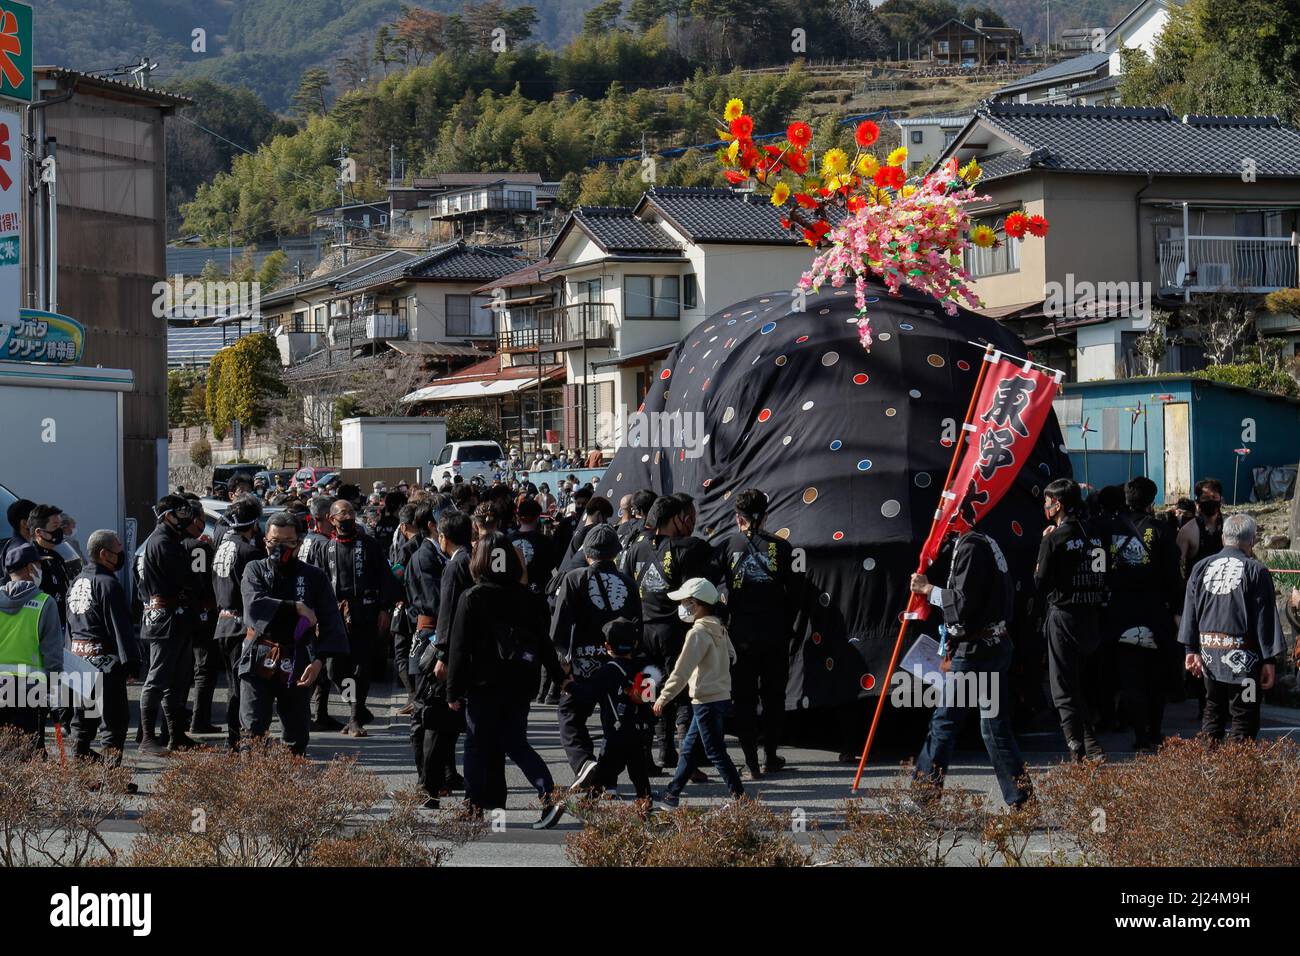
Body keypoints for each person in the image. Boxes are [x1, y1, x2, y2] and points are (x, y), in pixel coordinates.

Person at [446, 532, 566, 827]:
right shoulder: (528, 597)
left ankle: (473, 805)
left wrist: (453, 690)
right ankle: (548, 794)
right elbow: (543, 642)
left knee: (476, 744)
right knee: (515, 742)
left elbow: (459, 648)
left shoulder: (472, 597)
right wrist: (559, 676)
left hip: (483, 682)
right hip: (521, 681)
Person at [909, 526, 1031, 807]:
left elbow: (963, 605)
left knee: (945, 723)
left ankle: (924, 798)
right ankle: (1022, 801)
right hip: (993, 643)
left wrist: (928, 590)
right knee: (994, 728)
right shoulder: (986, 540)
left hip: (976, 650)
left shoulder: (970, 547)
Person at [237, 512, 347, 754]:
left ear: (299, 543)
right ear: (265, 540)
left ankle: (292, 786)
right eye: (274, 542)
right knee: (252, 732)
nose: (280, 548)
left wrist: (319, 661)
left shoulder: (313, 576)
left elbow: (331, 622)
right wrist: (295, 607)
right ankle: (249, 789)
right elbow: (254, 605)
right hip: (260, 654)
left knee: (296, 735)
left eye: (288, 542)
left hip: (298, 657)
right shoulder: (254, 569)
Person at [624, 495, 719, 770]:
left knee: (649, 691)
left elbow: (630, 588)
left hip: (643, 631)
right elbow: (693, 593)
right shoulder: (685, 548)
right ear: (675, 518)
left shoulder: (635, 549)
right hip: (674, 630)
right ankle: (685, 758)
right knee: (680, 691)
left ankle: (654, 755)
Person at [713, 489, 801, 777]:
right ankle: (771, 755)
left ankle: (750, 762)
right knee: (774, 696)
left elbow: (708, 587)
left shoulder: (727, 545)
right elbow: (795, 592)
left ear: (738, 517)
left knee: (744, 699)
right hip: (775, 633)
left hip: (741, 636)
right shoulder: (782, 546)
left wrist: (723, 614)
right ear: (765, 516)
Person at [1179, 514, 1283, 742]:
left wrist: (1190, 649)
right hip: (1245, 660)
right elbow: (1264, 619)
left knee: (1213, 710)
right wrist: (1269, 660)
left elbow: (1190, 610)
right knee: (1245, 716)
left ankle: (1211, 768)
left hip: (1209, 653)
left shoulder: (1200, 567)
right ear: (1252, 540)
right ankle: (1236, 771)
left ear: (1224, 537)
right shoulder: (1256, 570)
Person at [550, 523, 642, 779]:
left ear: (588, 553)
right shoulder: (628, 583)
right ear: (615, 553)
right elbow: (638, 626)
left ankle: (584, 763)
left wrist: (562, 661)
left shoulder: (575, 578)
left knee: (570, 713)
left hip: (584, 661)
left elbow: (561, 625)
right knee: (613, 718)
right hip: (619, 661)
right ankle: (607, 778)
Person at [306, 498, 400, 736]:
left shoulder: (368, 544)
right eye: (342, 514)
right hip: (336, 615)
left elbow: (385, 578)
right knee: (334, 670)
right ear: (331, 519)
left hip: (365, 613)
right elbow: (317, 584)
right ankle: (356, 708)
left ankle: (355, 718)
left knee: (362, 668)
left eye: (350, 513)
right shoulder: (324, 548)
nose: (347, 517)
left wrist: (384, 610)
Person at [1106, 476, 1183, 751]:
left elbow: (1098, 570)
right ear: (1152, 501)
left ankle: (1138, 733)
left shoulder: (1109, 529)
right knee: (1155, 676)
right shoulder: (1161, 530)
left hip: (1119, 611)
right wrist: (1176, 610)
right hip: (1154, 611)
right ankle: (1154, 731)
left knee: (1130, 677)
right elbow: (1173, 577)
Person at [652, 578, 744, 808]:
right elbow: (733, 656)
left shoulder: (697, 634)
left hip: (705, 699)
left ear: (697, 604)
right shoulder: (719, 628)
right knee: (689, 751)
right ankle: (671, 794)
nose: (682, 606)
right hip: (719, 696)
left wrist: (664, 697)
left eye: (685, 601)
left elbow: (681, 671)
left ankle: (740, 798)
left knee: (715, 751)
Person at [1035, 478, 1109, 761]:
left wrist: (1044, 543)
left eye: (1047, 501)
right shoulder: (1096, 533)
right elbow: (1103, 574)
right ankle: (1092, 745)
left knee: (1063, 686)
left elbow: (1040, 582)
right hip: (1091, 615)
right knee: (1083, 683)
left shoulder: (1054, 538)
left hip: (1063, 615)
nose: (1045, 506)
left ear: (1058, 504)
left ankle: (1076, 746)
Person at [67, 530, 140, 766]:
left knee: (83, 718)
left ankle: (80, 767)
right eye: (118, 549)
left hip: (77, 658)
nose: (122, 553)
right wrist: (131, 663)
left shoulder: (76, 581)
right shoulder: (108, 583)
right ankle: (111, 775)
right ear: (104, 554)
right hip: (104, 662)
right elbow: (120, 627)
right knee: (114, 720)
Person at [563, 617, 656, 804]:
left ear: (607, 646)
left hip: (616, 734)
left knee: (603, 774)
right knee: (639, 775)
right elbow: (648, 699)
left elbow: (589, 694)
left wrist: (570, 686)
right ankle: (645, 808)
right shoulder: (645, 668)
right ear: (636, 643)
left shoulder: (607, 671)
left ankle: (588, 806)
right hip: (639, 732)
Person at [137, 495, 199, 754]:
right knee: (158, 677)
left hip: (174, 615)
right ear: (167, 516)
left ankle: (176, 735)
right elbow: (185, 579)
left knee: (178, 677)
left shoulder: (170, 540)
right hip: (164, 617)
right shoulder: (162, 542)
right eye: (181, 512)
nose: (187, 517)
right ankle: (147, 737)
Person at [406, 505, 456, 804]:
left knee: (441, 713)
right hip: (430, 635)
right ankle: (427, 778)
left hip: (440, 633)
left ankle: (444, 773)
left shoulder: (440, 555)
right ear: (431, 526)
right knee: (426, 713)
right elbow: (435, 602)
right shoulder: (425, 556)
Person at [212, 496, 265, 750]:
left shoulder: (223, 546)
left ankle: (234, 738)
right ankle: (238, 739)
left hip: (223, 621)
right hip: (242, 625)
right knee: (242, 686)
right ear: (253, 523)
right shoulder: (249, 551)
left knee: (233, 685)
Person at [0, 544, 64, 751]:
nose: (41, 569)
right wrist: (55, 691)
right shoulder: (44, 603)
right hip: (29, 691)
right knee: (27, 754)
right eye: (38, 564)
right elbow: (52, 655)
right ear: (30, 568)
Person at [182, 496, 221, 735]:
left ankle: (181, 716)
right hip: (203, 613)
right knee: (205, 668)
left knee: (184, 669)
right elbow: (206, 582)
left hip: (180, 613)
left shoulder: (170, 544)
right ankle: (200, 718)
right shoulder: (199, 547)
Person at [1177, 478, 1225, 581]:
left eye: (1214, 497)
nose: (1210, 501)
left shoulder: (1228, 528)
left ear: (1220, 499)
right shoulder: (1187, 531)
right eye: (1206, 498)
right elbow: (1177, 565)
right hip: (1198, 590)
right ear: (1198, 501)